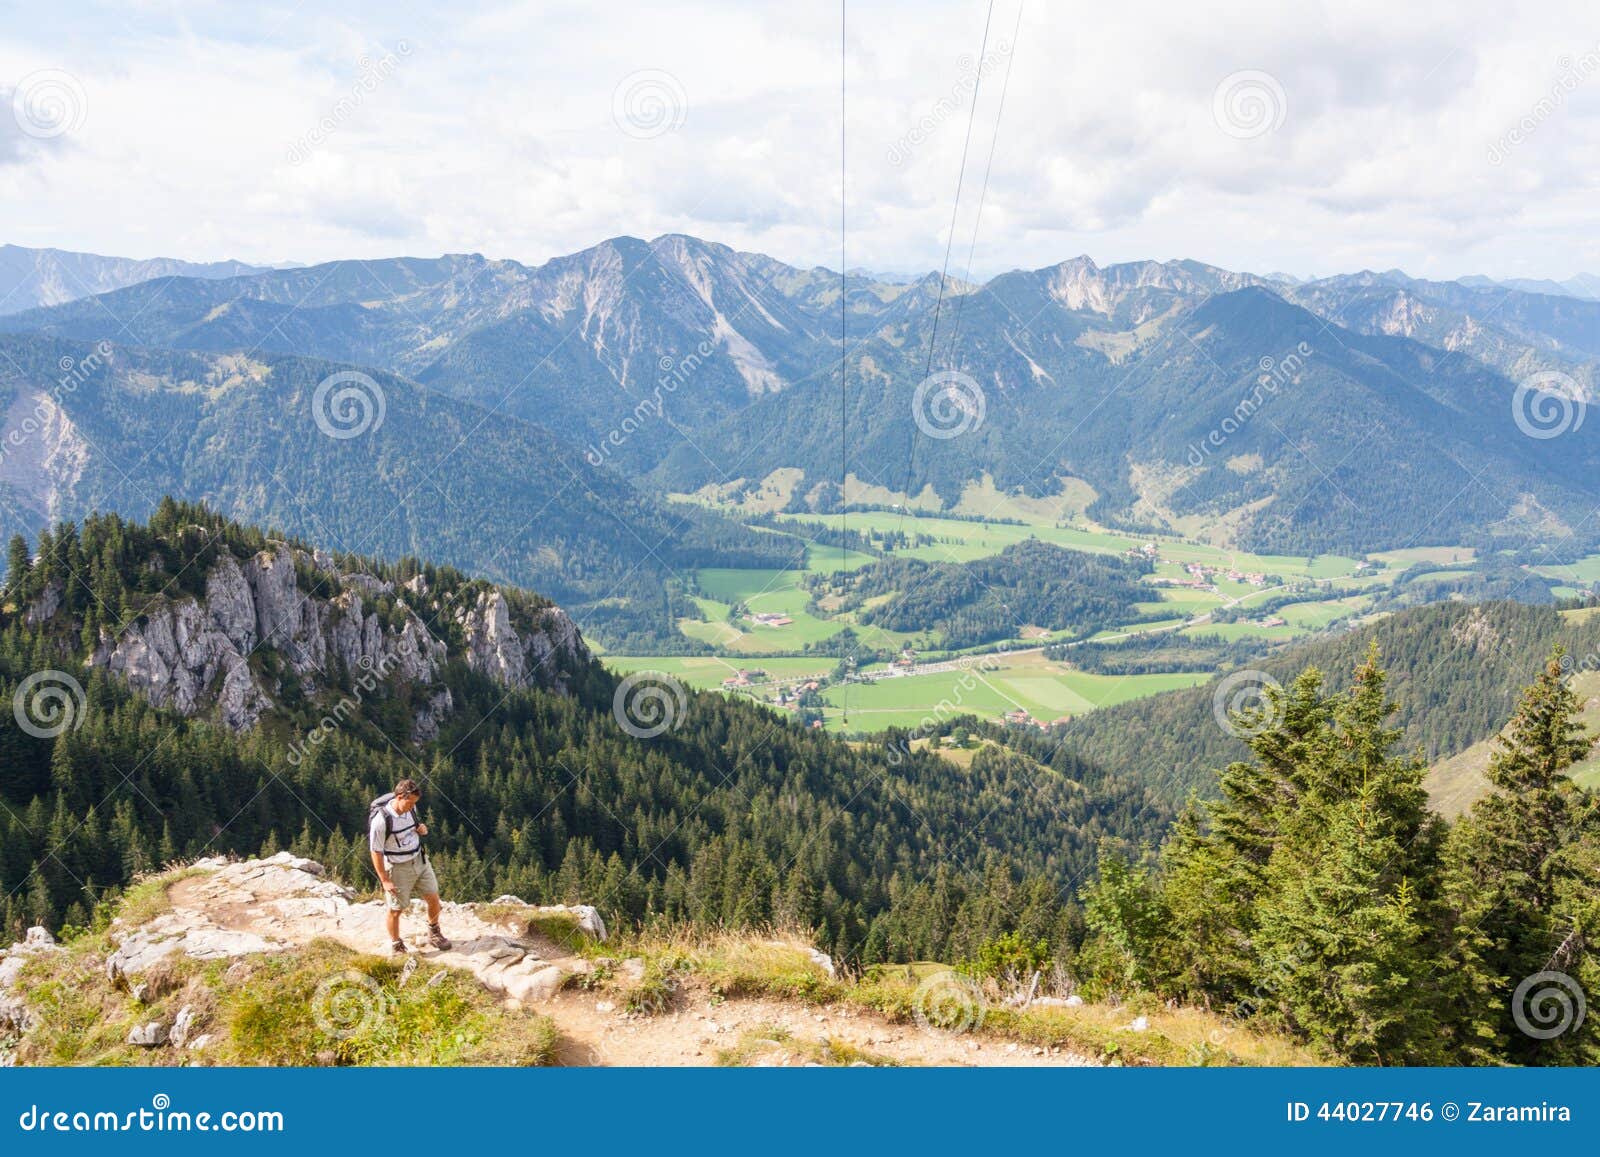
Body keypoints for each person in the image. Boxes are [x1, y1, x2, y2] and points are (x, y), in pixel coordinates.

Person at [368, 778, 452, 954]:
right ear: (399, 796)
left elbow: (416, 827)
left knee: (433, 898)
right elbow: (376, 851)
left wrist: (422, 829)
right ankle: (396, 944)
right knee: (396, 909)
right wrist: (384, 880)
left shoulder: (411, 808)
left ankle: (434, 931)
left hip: (419, 860)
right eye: (410, 801)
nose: (412, 805)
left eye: (415, 802)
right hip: (398, 868)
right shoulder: (381, 821)